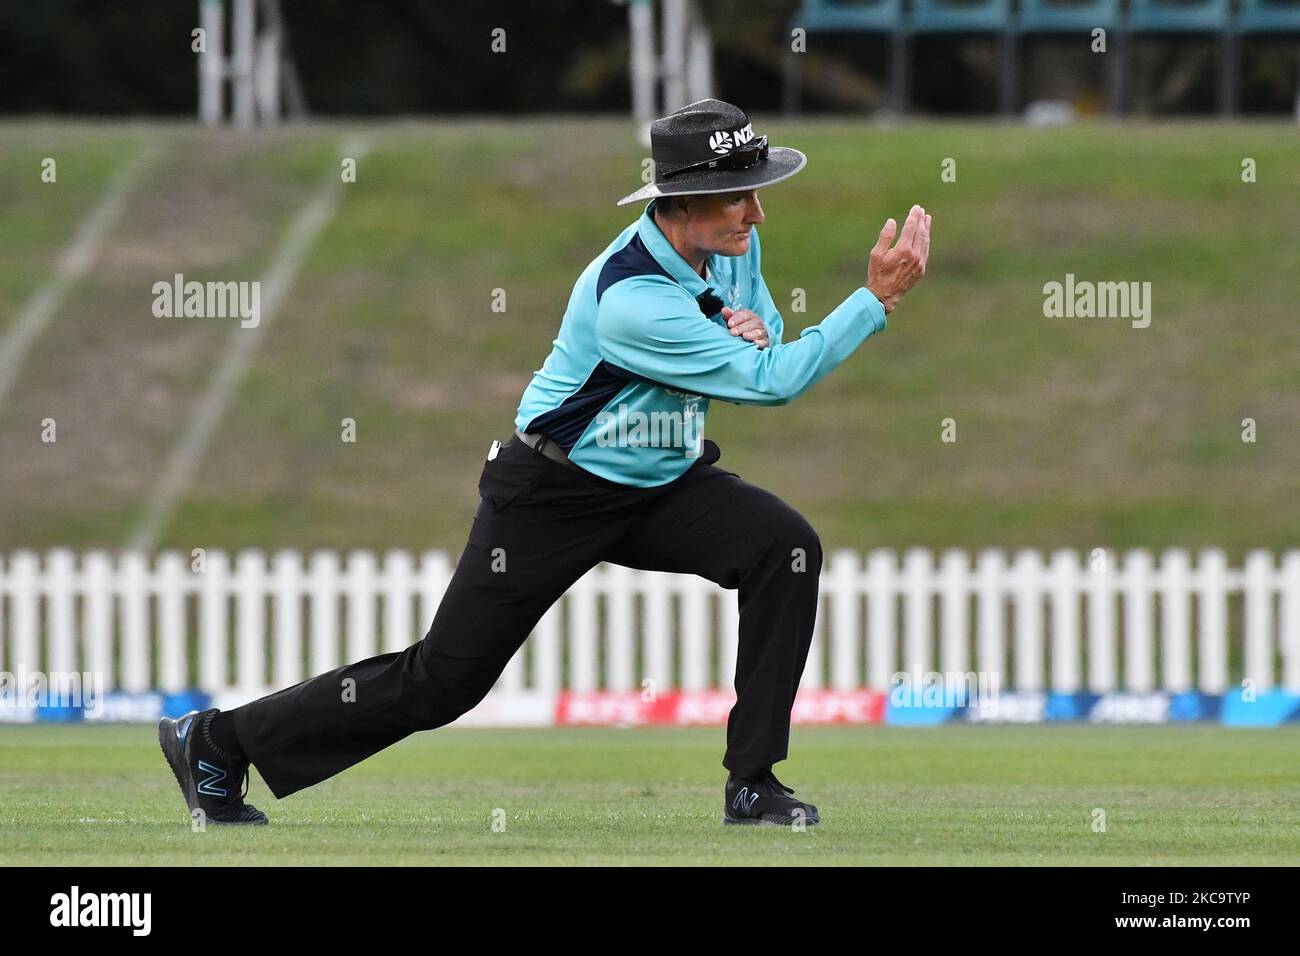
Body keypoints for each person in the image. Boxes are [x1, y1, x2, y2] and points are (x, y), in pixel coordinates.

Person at [158, 98, 931, 828]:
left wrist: (752, 323)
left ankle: (753, 783)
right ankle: (218, 742)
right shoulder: (630, 299)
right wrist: (874, 303)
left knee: (784, 547)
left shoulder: (732, 242)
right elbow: (774, 381)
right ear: (682, 203)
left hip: (660, 475)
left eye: (756, 193)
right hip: (554, 490)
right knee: (443, 683)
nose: (757, 213)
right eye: (739, 197)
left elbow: (765, 325)